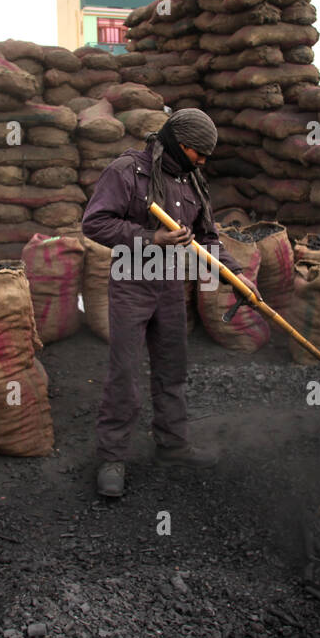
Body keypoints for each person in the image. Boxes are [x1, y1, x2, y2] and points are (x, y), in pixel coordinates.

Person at [81, 109, 259, 498]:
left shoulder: (190, 179)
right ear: (178, 144)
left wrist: (236, 274)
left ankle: (172, 444)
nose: (203, 162)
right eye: (198, 153)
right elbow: (94, 223)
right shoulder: (128, 171)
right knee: (124, 372)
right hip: (131, 281)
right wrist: (151, 238)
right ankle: (112, 456)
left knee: (171, 367)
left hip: (170, 284)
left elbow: (207, 238)